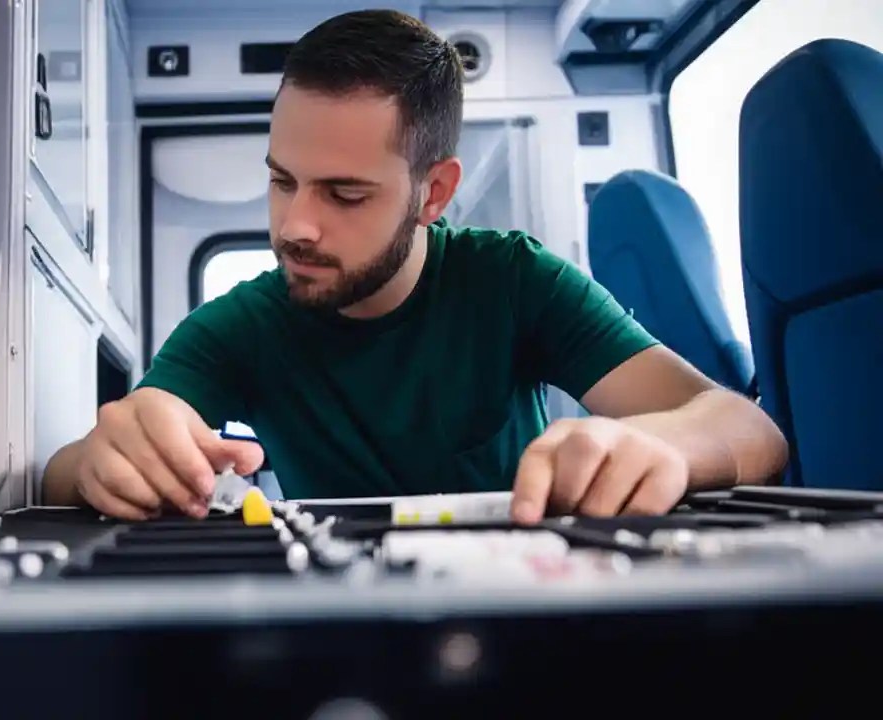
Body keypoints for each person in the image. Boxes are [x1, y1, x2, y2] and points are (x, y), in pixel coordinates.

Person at [43, 9, 787, 524]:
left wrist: (656, 444)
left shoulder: (512, 281)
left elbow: (747, 428)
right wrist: (109, 455)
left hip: (518, 612)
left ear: (433, 193)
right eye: (282, 181)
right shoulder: (240, 326)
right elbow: (64, 473)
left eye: (344, 193)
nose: (295, 224)